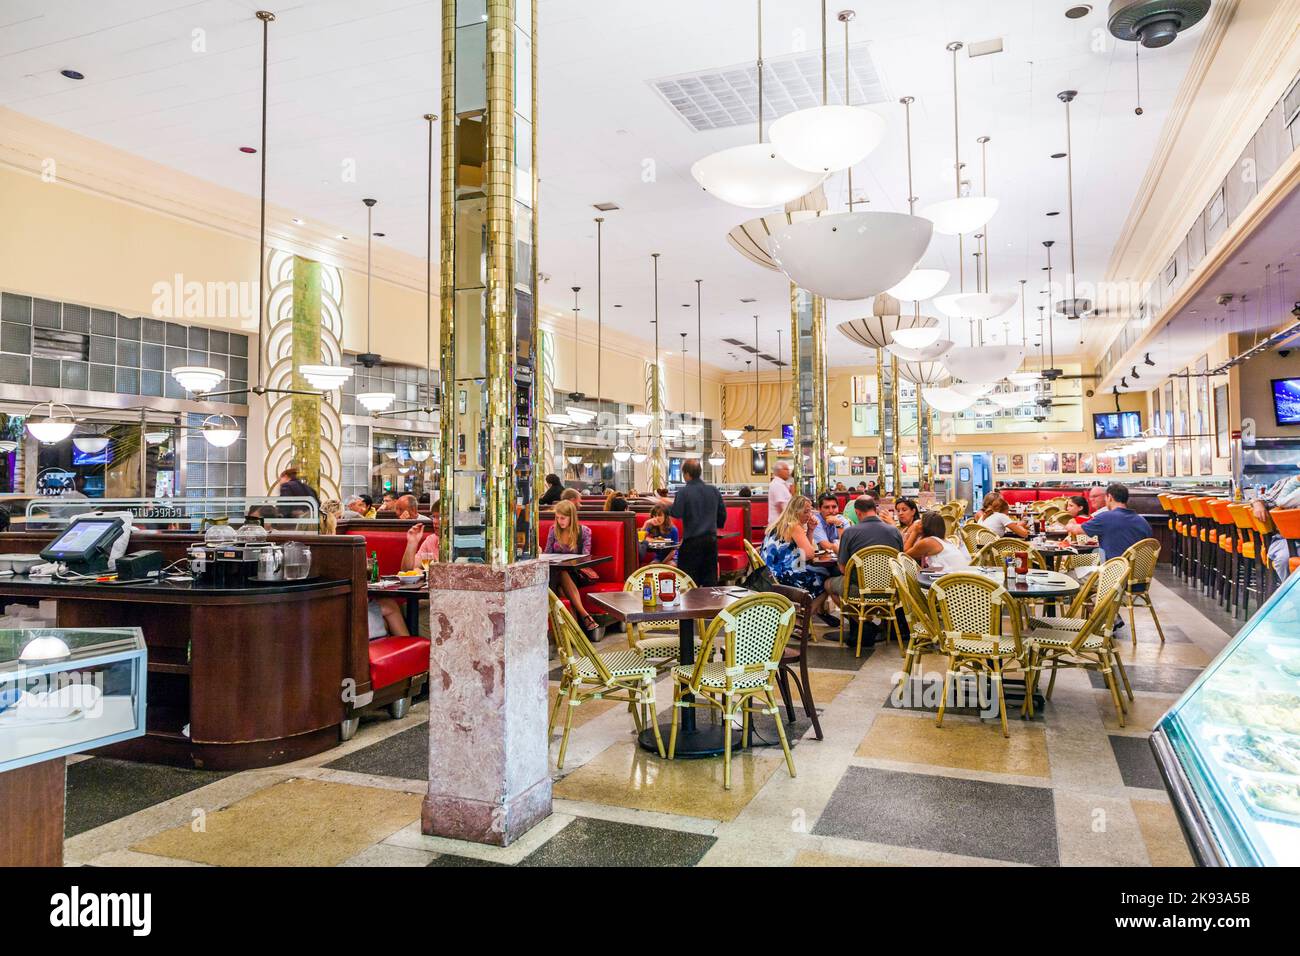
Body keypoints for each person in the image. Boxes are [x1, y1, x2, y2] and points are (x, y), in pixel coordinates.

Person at [761, 494, 836, 623]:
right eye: (806, 511)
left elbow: (802, 553)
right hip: (784, 578)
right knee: (826, 580)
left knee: (818, 573)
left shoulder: (778, 525)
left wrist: (811, 530)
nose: (809, 514)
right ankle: (802, 621)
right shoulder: (794, 526)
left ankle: (808, 614)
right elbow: (808, 554)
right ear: (796, 511)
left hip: (768, 576)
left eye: (810, 510)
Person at [825, 495, 904, 600]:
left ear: (857, 512)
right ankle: (882, 612)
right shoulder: (895, 531)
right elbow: (900, 561)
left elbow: (843, 569)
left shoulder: (849, 532)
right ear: (875, 510)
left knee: (827, 584)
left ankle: (857, 615)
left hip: (859, 590)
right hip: (892, 590)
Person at [667, 458, 727, 587]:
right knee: (709, 579)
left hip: (692, 542)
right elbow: (722, 515)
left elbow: (676, 513)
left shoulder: (683, 492)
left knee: (689, 580)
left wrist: (664, 505)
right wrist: (715, 525)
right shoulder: (713, 490)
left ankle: (692, 606)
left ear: (686, 474)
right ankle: (709, 606)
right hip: (711, 541)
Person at [544, 500, 599, 635]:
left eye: (563, 518)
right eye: (557, 518)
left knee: (562, 576)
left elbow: (585, 557)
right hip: (557, 573)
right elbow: (547, 553)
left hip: (578, 573)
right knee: (561, 584)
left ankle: (578, 625)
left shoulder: (584, 532)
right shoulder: (553, 530)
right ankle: (582, 621)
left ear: (571, 517)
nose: (559, 521)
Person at [1081, 483, 1152, 561]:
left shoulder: (1105, 517)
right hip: (1138, 570)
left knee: (1073, 563)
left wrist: (1069, 523)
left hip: (1114, 570)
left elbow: (1078, 530)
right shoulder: (1143, 521)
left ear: (1110, 497)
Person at [906, 511, 971, 572]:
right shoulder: (944, 541)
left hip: (953, 581)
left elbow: (905, 554)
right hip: (961, 579)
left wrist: (914, 532)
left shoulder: (928, 542)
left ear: (924, 526)